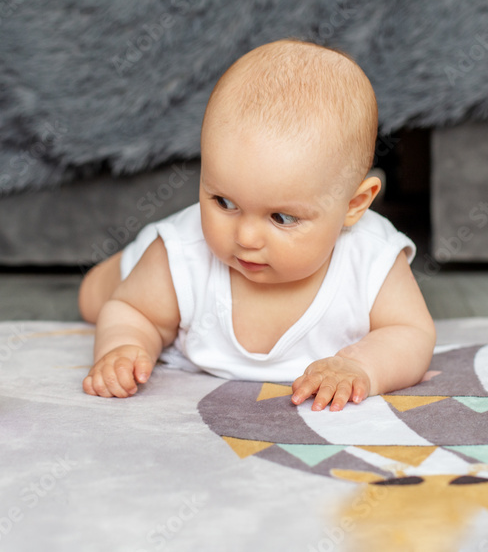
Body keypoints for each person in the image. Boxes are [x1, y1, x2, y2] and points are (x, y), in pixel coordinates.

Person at [78, 39, 435, 411]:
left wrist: (361, 365)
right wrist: (124, 346)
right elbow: (135, 313)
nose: (245, 237)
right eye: (224, 202)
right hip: (149, 262)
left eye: (281, 217)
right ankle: (118, 265)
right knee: (98, 298)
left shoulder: (371, 257)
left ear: (354, 205)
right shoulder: (181, 253)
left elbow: (410, 333)